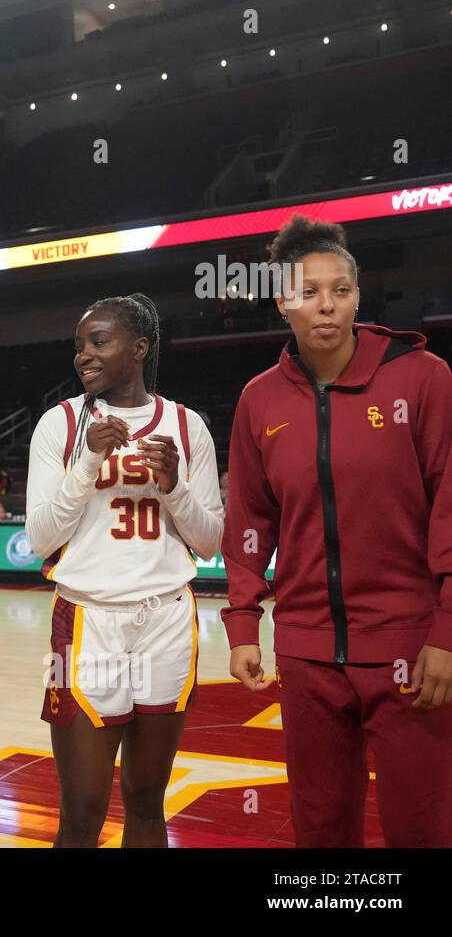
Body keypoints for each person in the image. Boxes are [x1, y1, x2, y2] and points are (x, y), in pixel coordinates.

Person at [222, 215, 452, 847]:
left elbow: (450, 512)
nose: (326, 305)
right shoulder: (259, 401)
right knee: (320, 829)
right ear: (283, 302)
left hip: (410, 649)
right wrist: (244, 621)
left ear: (358, 297)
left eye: (340, 291)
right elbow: (249, 521)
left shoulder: (423, 380)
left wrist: (447, 630)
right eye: (307, 292)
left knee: (423, 828)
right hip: (307, 655)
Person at [26, 292, 223, 847]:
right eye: (78, 346)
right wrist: (88, 461)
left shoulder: (187, 427)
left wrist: (175, 487)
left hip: (166, 619)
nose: (83, 355)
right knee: (82, 811)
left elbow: (209, 543)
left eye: (98, 342)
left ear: (139, 348)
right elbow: (41, 537)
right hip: (87, 621)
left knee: (145, 801)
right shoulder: (59, 425)